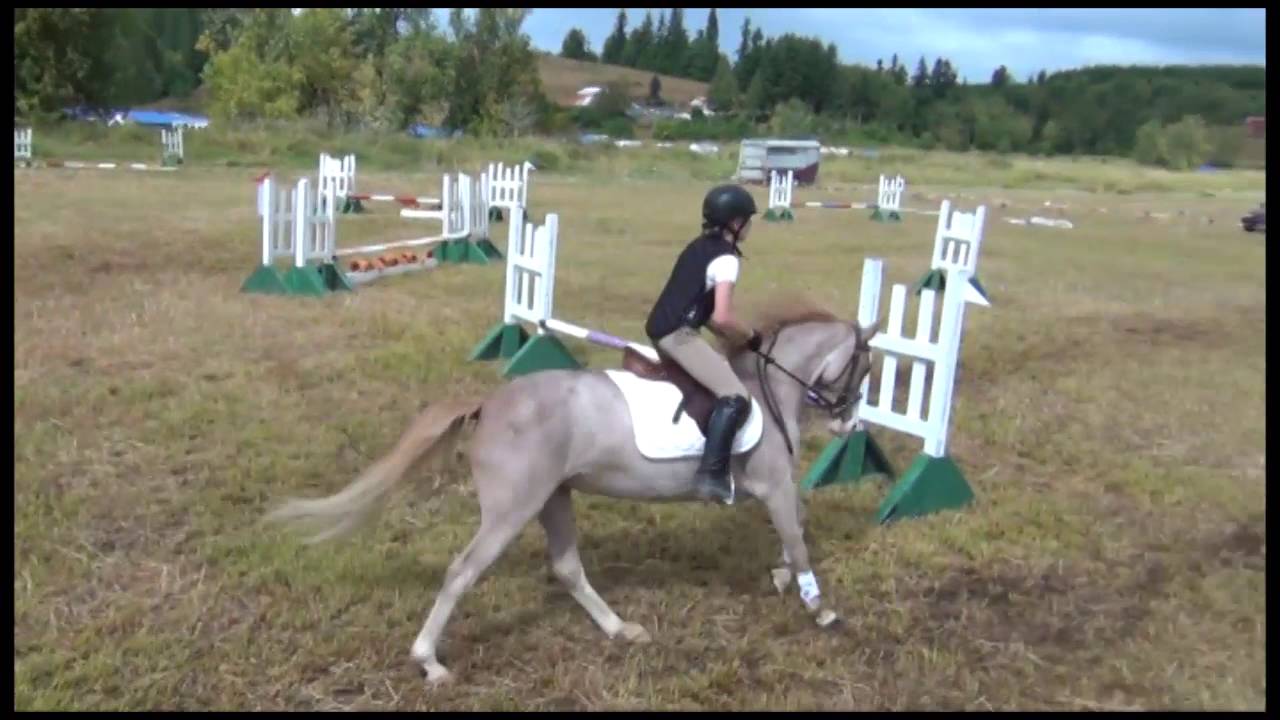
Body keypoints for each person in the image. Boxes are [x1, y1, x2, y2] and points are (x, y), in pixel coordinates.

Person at [644, 184, 764, 504]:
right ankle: (711, 476)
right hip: (678, 336)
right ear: (735, 223)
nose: (750, 226)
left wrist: (734, 340)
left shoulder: (698, 246)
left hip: (661, 329)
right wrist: (751, 336)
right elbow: (723, 317)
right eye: (748, 220)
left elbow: (706, 313)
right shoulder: (727, 259)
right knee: (735, 396)